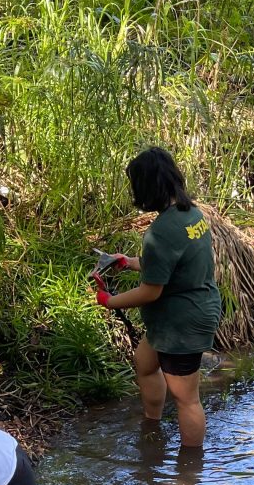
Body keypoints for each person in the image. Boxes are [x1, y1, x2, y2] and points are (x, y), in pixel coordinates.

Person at [93, 148, 222, 449]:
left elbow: (152, 290)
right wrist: (129, 260)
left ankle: (190, 468)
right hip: (184, 313)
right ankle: (151, 427)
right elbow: (173, 263)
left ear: (147, 186)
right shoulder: (191, 214)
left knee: (186, 398)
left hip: (183, 323)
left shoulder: (161, 231)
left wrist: (108, 300)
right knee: (145, 363)